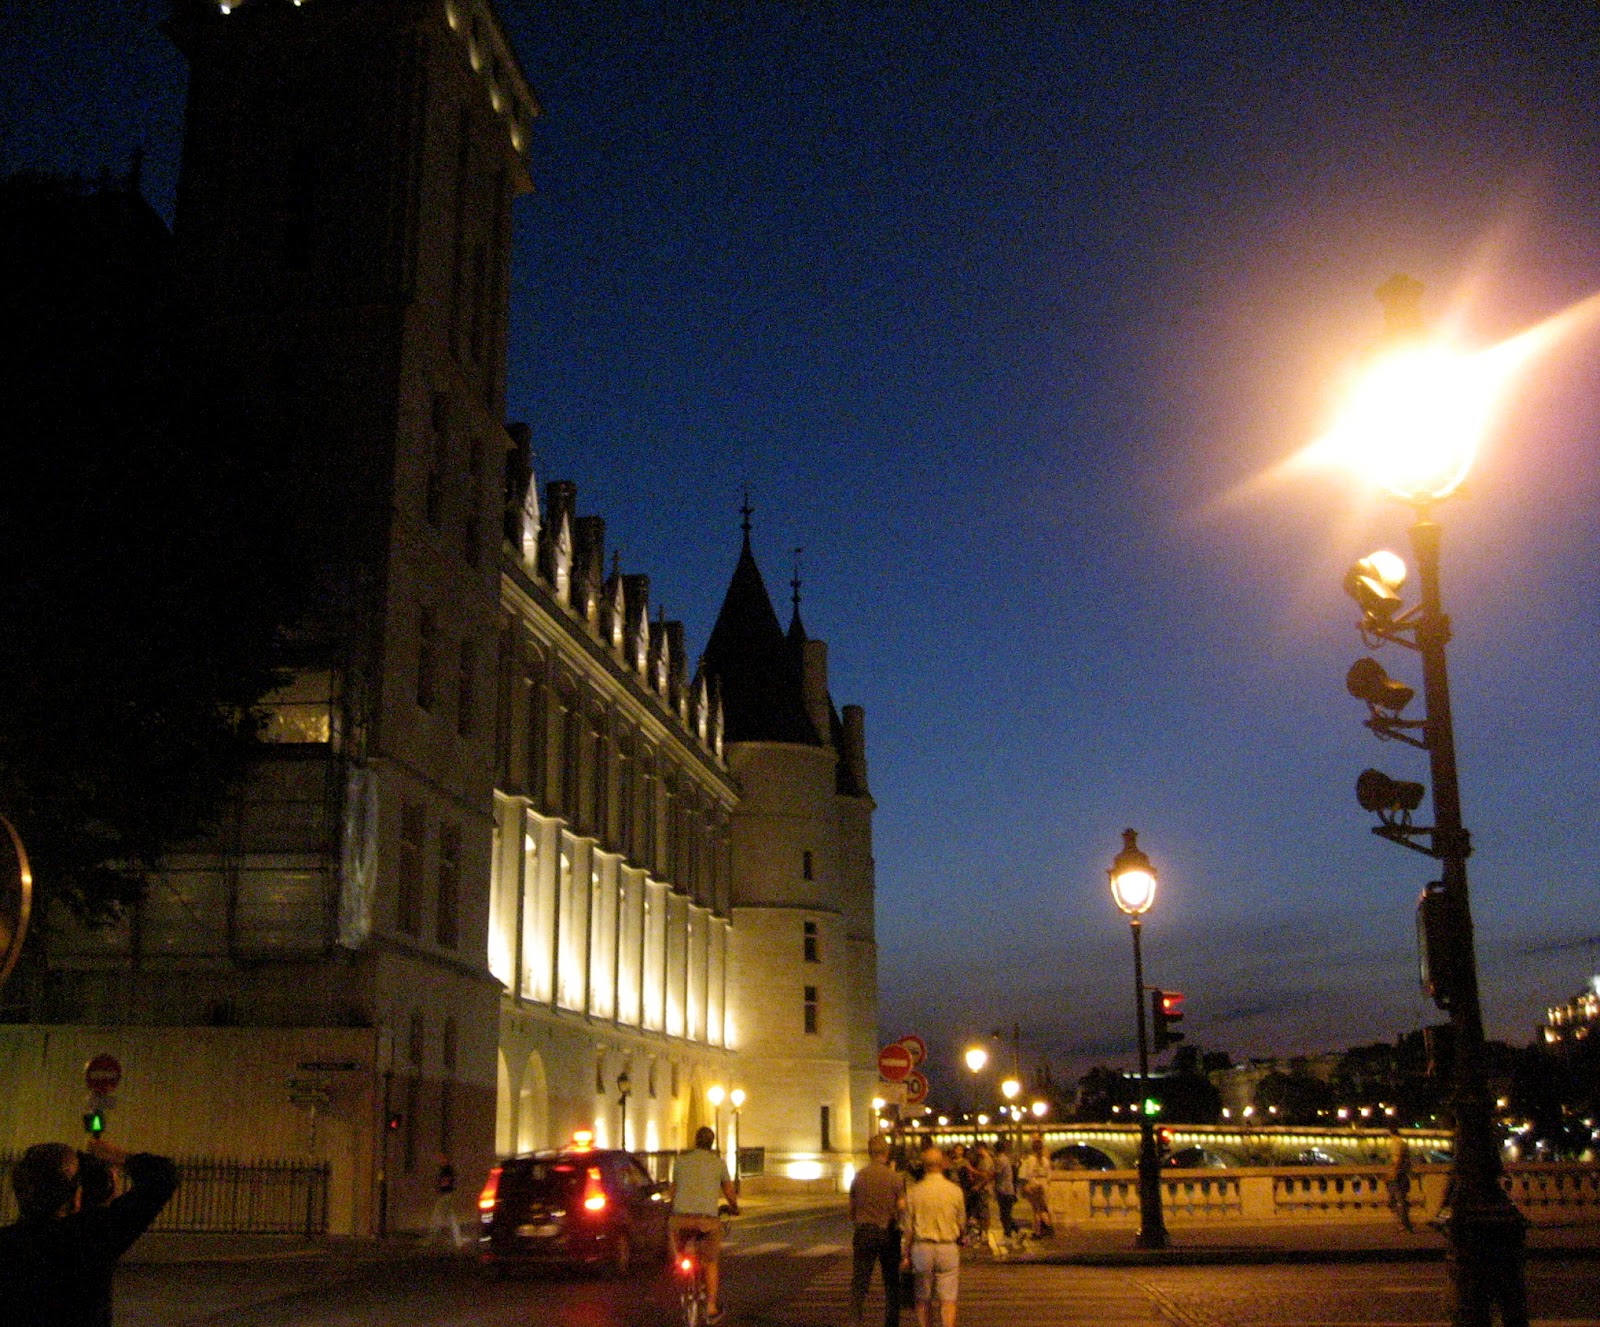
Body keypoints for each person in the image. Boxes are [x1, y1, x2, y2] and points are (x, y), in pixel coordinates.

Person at [0, 1137, 178, 1326]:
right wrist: (116, 1156)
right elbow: (164, 1176)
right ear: (76, 1195)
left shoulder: (6, 1244)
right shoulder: (91, 1237)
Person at [668, 1126, 739, 1324]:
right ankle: (711, 1307)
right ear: (711, 1143)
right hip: (706, 1221)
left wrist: (673, 1209)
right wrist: (734, 1207)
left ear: (695, 1141)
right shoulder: (718, 1163)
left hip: (680, 1219)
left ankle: (680, 1263)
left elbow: (673, 1191)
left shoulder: (680, 1162)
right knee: (710, 1262)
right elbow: (729, 1191)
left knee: (679, 1245)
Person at [900, 1147, 966, 1327]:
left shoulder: (914, 1192)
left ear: (924, 1166)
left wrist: (906, 1255)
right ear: (943, 1164)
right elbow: (961, 1224)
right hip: (947, 1247)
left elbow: (908, 1229)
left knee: (922, 1298)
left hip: (922, 1248)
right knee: (948, 1299)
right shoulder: (955, 1191)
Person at [848, 1135, 905, 1327]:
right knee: (891, 1282)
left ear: (869, 1153)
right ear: (887, 1153)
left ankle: (856, 1320)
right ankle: (891, 1322)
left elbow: (852, 1209)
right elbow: (902, 1207)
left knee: (860, 1281)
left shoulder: (859, 1176)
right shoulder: (895, 1178)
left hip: (864, 1231)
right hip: (887, 1232)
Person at [1017, 1135, 1054, 1239]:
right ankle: (1049, 1227)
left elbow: (1027, 1174)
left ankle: (1038, 1232)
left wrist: (1027, 1185)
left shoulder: (1030, 1160)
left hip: (1034, 1185)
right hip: (1044, 1185)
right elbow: (1049, 1175)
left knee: (1036, 1210)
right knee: (1043, 1208)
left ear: (1032, 1148)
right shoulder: (1045, 1161)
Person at [428, 1152, 463, 1248]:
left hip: (446, 1195)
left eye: (441, 1159)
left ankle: (431, 1239)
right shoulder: (447, 1169)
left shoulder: (446, 1170)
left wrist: (440, 1185)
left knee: (437, 1216)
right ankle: (458, 1241)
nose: (439, 1161)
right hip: (447, 1194)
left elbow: (446, 1182)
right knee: (451, 1218)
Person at [1386, 1126, 1414, 1233]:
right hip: (1404, 1173)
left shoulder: (1395, 1144)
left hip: (1397, 1174)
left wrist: (1392, 1173)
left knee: (1395, 1200)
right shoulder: (1403, 1143)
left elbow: (1397, 1160)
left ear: (1390, 1133)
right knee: (1401, 1199)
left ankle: (1405, 1224)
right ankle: (1405, 1223)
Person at [991, 1140, 1018, 1245]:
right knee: (1007, 1214)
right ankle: (1017, 1230)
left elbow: (996, 1174)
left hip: (1003, 1190)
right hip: (1009, 1190)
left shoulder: (1000, 1160)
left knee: (1004, 1215)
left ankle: (1007, 1236)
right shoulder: (1006, 1159)